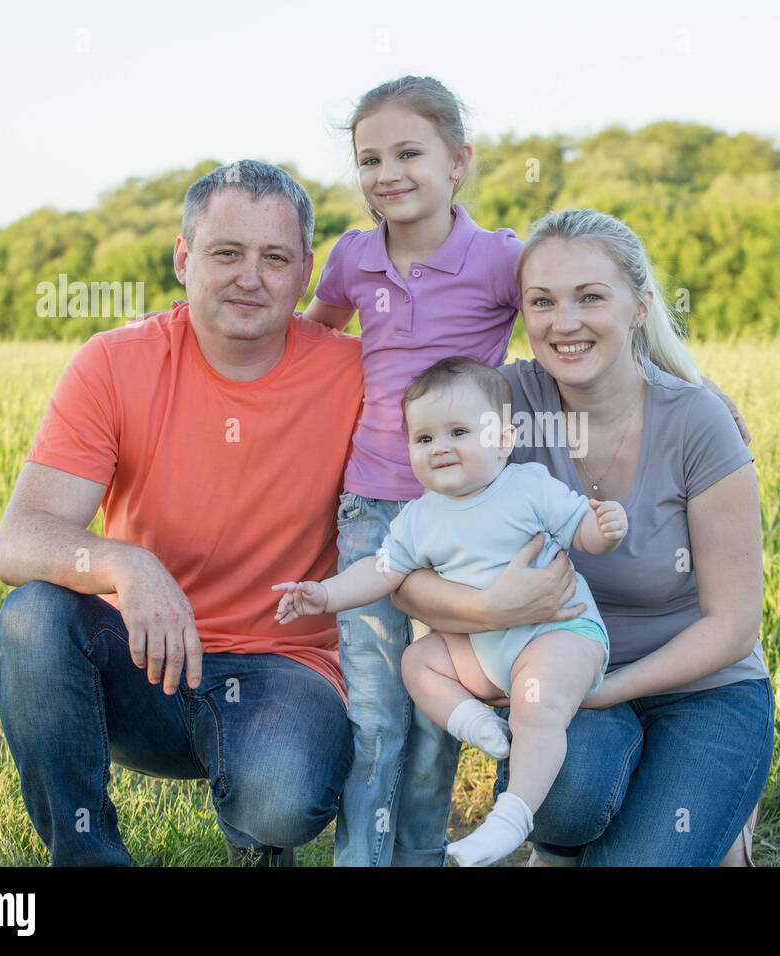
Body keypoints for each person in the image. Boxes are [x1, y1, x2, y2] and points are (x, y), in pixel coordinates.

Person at [0, 160, 364, 866]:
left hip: (287, 667)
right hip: (146, 660)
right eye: (227, 253)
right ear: (183, 258)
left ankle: (257, 837)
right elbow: (20, 540)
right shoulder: (114, 363)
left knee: (282, 797)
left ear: (307, 272)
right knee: (34, 615)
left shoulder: (353, 374)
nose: (250, 277)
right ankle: (87, 853)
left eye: (274, 258)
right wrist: (121, 561)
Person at [393, 208, 772, 865]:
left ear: (637, 307)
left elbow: (733, 626)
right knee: (566, 804)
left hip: (704, 687)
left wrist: (604, 689)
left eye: (589, 297)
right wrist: (487, 611)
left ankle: (725, 820)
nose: (563, 323)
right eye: (542, 302)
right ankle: (567, 841)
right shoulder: (502, 406)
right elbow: (404, 573)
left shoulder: (696, 421)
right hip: (568, 668)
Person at [299, 76, 527, 866]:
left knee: (440, 709)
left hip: (464, 521)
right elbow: (316, 335)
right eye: (369, 159)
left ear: (457, 160)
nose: (386, 172)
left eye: (408, 152)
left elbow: (576, 325)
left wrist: (689, 390)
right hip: (370, 510)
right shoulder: (353, 257)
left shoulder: (500, 260)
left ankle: (421, 855)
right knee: (375, 708)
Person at [272, 357, 625, 866]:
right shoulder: (420, 517)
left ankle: (513, 816)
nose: (440, 447)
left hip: (561, 632)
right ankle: (481, 727)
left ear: (504, 440)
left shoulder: (526, 486)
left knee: (539, 699)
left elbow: (580, 530)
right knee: (418, 661)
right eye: (424, 438)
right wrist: (324, 595)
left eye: (459, 432)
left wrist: (604, 530)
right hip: (484, 651)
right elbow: (382, 570)